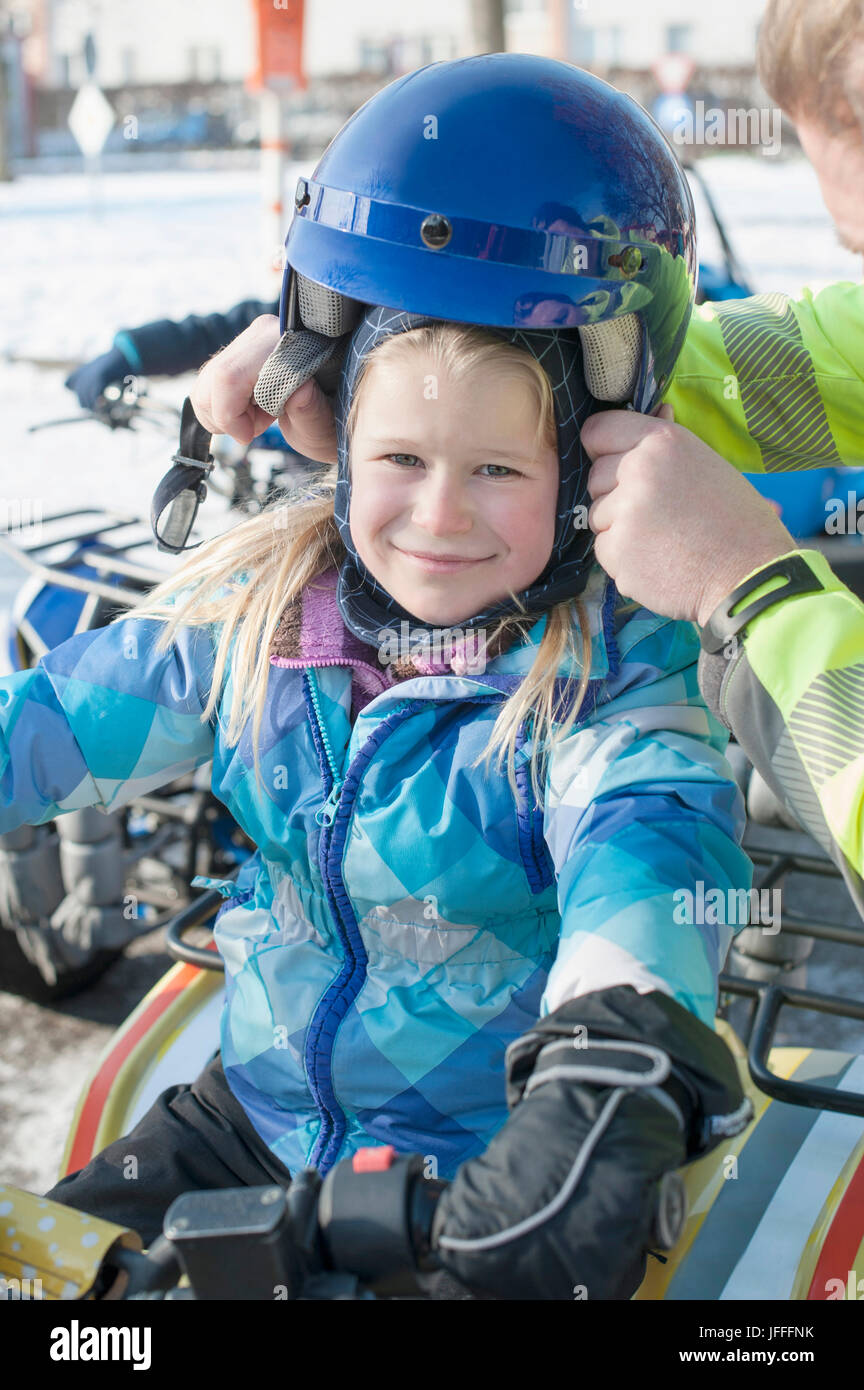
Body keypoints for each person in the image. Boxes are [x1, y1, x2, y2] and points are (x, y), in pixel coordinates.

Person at [26, 56, 756, 1302]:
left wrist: (612, 1071)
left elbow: (654, 853)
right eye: (401, 455)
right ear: (332, 430)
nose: (436, 517)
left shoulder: (610, 687)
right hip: (246, 1129)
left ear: (593, 467)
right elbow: (64, 717)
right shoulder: (259, 623)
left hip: (476, 1186)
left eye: (498, 472)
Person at [208, 5, 864, 912]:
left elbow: (643, 871)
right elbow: (811, 363)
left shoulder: (628, 700)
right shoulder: (249, 632)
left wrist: (748, 586)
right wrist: (391, 342)